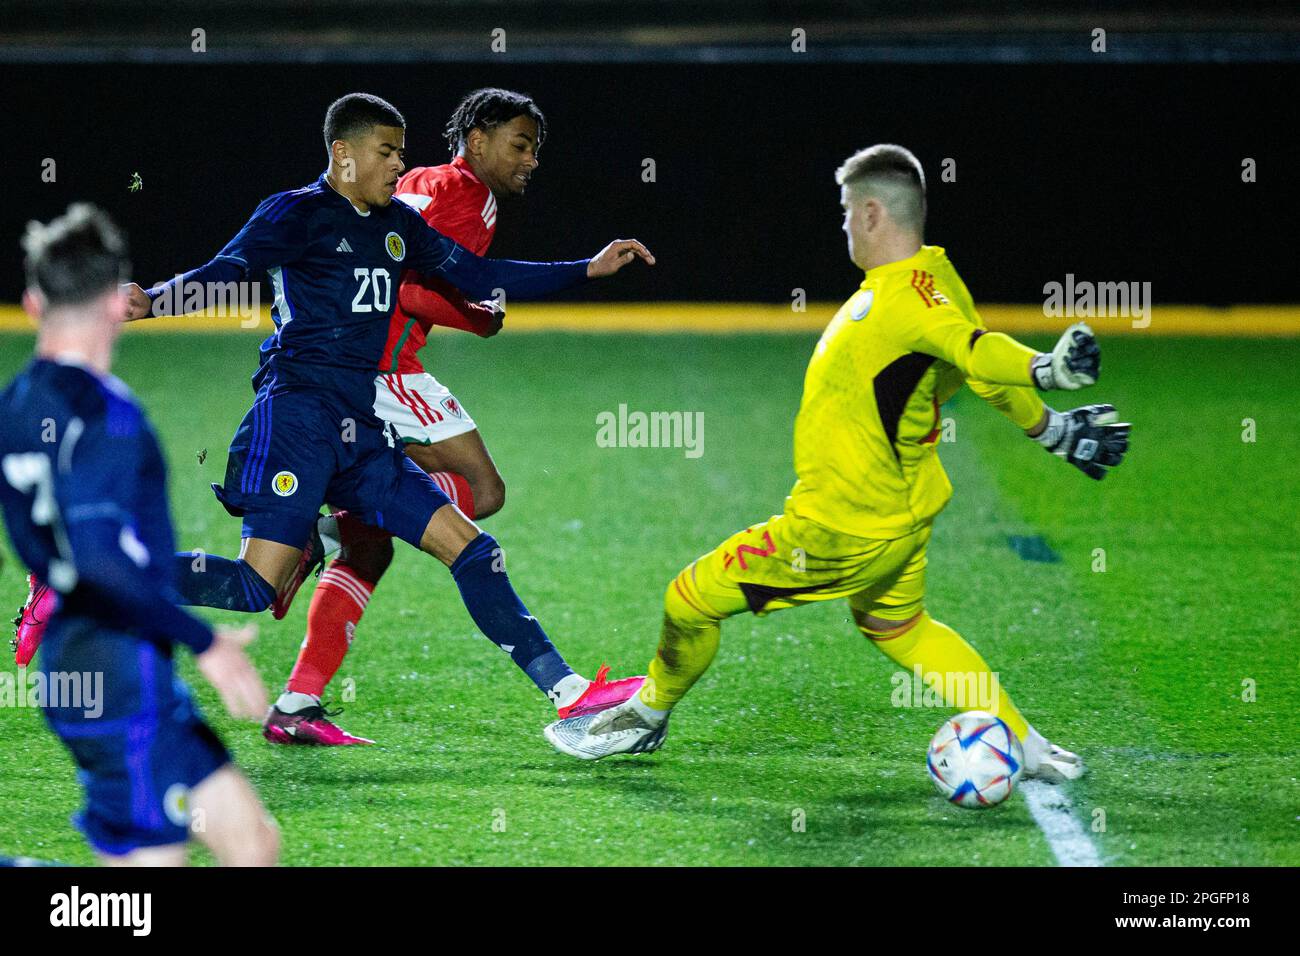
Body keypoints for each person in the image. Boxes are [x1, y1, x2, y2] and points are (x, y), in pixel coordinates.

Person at [544, 144, 1130, 779]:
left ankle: (643, 718)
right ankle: (1029, 744)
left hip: (840, 526)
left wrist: (1045, 370)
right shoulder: (933, 279)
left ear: (873, 213)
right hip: (901, 514)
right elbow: (973, 363)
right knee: (898, 627)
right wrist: (1051, 431)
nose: (844, 224)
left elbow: (979, 351)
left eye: (847, 212)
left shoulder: (907, 302)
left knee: (688, 598)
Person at [265, 88, 643, 745]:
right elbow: (410, 287)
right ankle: (569, 693)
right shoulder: (468, 195)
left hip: (353, 370)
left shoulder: (418, 180)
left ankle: (297, 702)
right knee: (482, 494)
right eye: (519, 145)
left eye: (535, 149)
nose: (529, 160)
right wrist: (480, 314)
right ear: (476, 141)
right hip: (383, 372)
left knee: (372, 547)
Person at [0, 204, 278, 865]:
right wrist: (205, 640)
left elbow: (38, 545)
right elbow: (96, 556)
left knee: (252, 842)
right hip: (112, 667)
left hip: (94, 656)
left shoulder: (15, 405)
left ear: (36, 302)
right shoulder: (109, 415)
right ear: (116, 301)